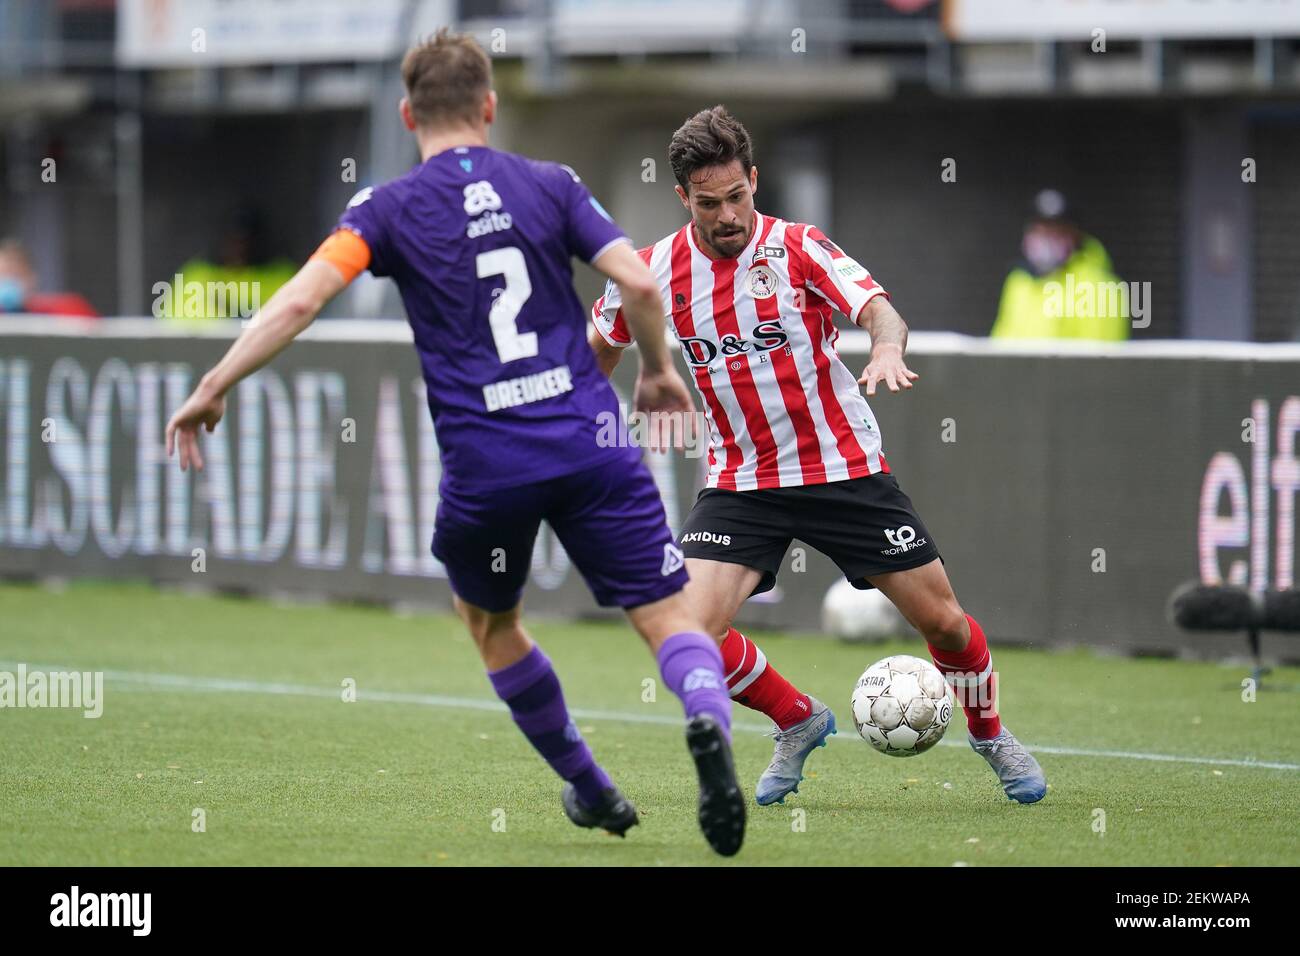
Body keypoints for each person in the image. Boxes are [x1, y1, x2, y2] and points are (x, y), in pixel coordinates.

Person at [166, 31, 746, 856]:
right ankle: (703, 720)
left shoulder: (384, 209)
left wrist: (212, 385)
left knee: (490, 622)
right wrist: (655, 370)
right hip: (592, 442)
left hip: (489, 464)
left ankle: (590, 785)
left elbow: (298, 303)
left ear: (408, 115)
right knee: (667, 615)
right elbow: (641, 281)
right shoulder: (551, 183)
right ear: (489, 107)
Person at [590, 105, 1047, 806]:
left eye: (737, 196)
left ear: (754, 181)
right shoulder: (651, 274)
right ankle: (796, 718)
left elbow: (876, 308)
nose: (728, 215)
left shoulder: (797, 248)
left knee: (945, 622)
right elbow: (594, 351)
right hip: (742, 481)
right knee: (687, 633)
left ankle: (989, 734)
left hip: (843, 470)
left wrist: (888, 346)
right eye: (709, 204)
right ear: (684, 199)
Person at [990, 189, 1129, 341]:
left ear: (1074, 235)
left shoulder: (1100, 287)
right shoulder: (1019, 282)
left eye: (1056, 231)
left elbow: (1100, 358)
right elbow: (1000, 344)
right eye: (1039, 230)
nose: (1046, 240)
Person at [0, 239, 98, 318]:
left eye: (15, 275)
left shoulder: (68, 310)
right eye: (2, 275)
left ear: (32, 278)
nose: (8, 281)